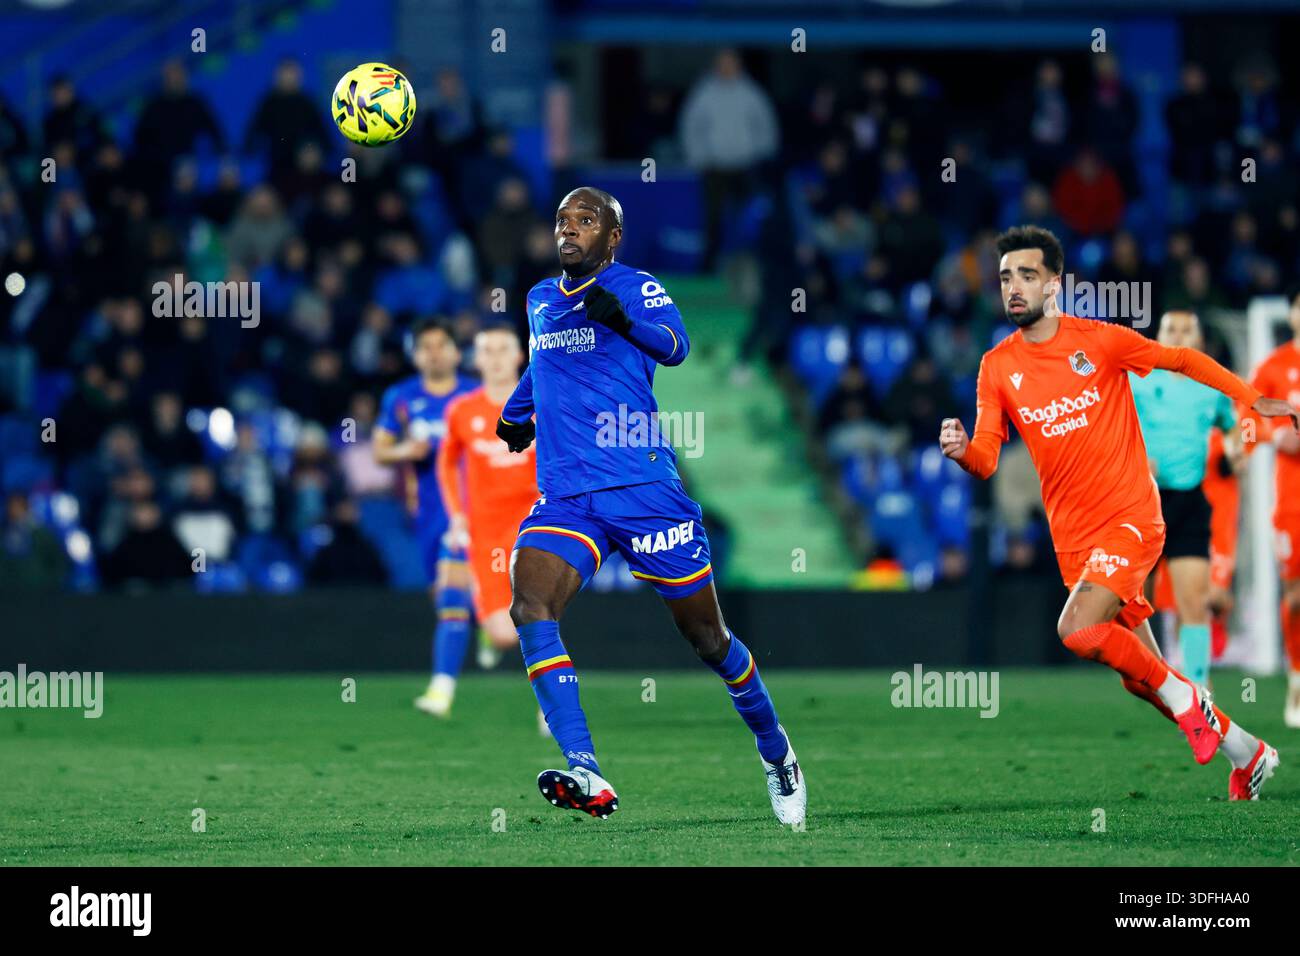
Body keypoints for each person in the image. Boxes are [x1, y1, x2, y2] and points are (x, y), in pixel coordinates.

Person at [940, 225, 1294, 800]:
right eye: (1005, 277)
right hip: (1074, 539)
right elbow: (985, 458)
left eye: (1027, 275)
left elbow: (1179, 358)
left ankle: (1189, 701)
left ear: (1054, 284)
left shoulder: (1099, 341)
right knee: (1139, 679)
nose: (1013, 287)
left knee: (1077, 629)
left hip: (1132, 516)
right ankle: (1247, 752)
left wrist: (1251, 398)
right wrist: (960, 450)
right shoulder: (996, 367)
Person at [495, 187, 804, 824]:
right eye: (562, 221)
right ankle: (587, 768)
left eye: (587, 221)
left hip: (642, 489)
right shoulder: (539, 299)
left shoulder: (637, 286)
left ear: (612, 237)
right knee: (530, 604)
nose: (569, 230)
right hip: (567, 496)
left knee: (707, 638)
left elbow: (674, 347)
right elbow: (543, 361)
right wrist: (517, 412)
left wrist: (620, 321)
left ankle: (777, 753)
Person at [431, 325, 540, 717]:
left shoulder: (542, 402)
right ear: (477, 361)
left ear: (519, 355)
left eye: (502, 349)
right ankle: (488, 633)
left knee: (539, 614)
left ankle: (554, 710)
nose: (494, 358)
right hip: (486, 530)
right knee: (505, 633)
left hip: (534, 525)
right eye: (486, 351)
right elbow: (445, 464)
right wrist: (457, 516)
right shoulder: (462, 411)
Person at [1130, 311, 1241, 687]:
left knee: (1194, 604)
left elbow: (1238, 424)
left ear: (1200, 340)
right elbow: (1108, 422)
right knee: (1133, 604)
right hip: (1142, 502)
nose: (1178, 336)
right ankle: (1148, 678)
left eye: (1186, 330)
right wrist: (1135, 455)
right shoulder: (1139, 379)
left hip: (1189, 502)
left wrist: (1238, 448)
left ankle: (1198, 689)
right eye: (1171, 329)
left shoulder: (1212, 386)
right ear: (1158, 337)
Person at [372, 317, 476, 713]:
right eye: (425, 347)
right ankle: (487, 625)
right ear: (415, 355)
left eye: (440, 344)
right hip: (428, 513)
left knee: (453, 592)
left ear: (454, 350)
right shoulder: (401, 397)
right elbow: (380, 451)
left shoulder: (476, 394)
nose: (434, 353)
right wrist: (405, 451)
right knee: (443, 593)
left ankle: (441, 690)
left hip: (470, 510)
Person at [1240, 286, 1300, 726]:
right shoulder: (1275, 366)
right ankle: (1297, 678)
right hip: (1293, 503)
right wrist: (1273, 435)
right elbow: (1243, 416)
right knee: (1296, 597)